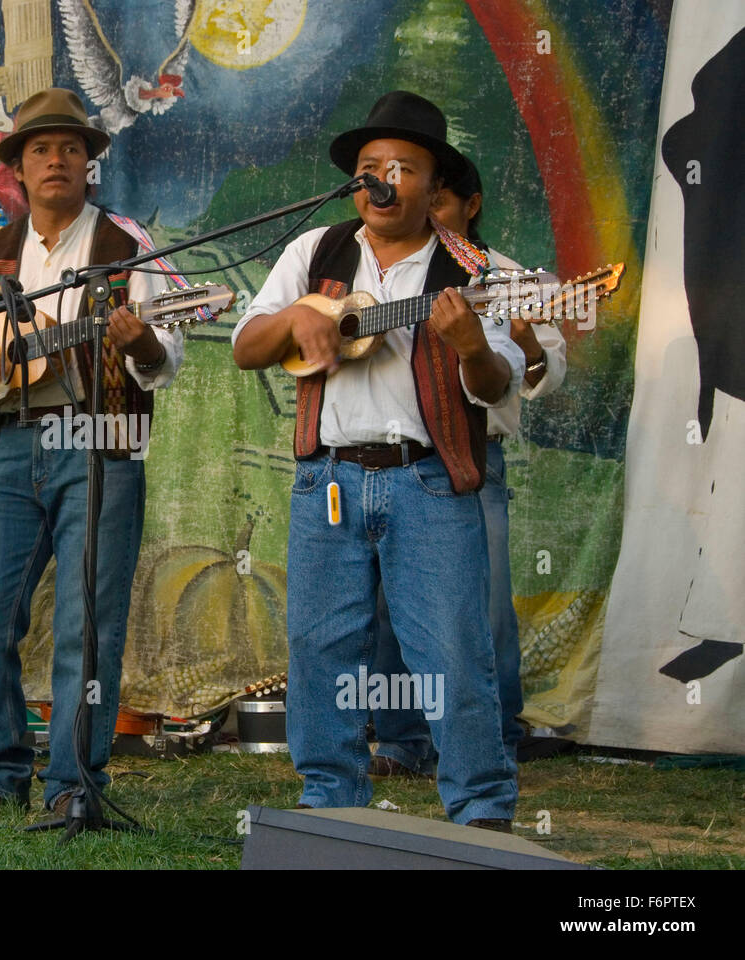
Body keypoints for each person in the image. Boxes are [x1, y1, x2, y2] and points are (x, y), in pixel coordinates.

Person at [231, 91, 523, 830]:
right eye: (369, 168)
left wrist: (473, 347)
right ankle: (329, 808)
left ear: (432, 185)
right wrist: (296, 316)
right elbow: (246, 345)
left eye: (402, 167)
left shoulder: (478, 270)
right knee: (321, 648)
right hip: (325, 480)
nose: (381, 180)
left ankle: (481, 812)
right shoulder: (316, 252)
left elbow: (495, 387)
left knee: (453, 653)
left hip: (429, 481)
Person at [0, 88, 183, 819]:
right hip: (7, 446)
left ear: (90, 163)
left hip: (101, 440)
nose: (56, 160)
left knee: (89, 621)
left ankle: (72, 784)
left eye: (70, 148)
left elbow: (166, 354)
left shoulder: (128, 247)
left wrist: (143, 339)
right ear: (18, 168)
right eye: (40, 149)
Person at [369, 159, 568, 778]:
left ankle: (495, 735)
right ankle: (401, 739)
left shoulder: (506, 277)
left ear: (471, 205)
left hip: (471, 456)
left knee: (480, 603)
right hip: (392, 456)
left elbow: (545, 378)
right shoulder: (379, 270)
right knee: (385, 604)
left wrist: (529, 345)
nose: (429, 215)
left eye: (443, 202)